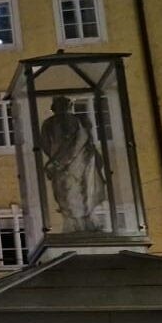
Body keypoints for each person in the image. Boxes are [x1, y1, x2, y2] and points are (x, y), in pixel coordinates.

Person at [38, 95, 108, 232]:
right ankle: (80, 226)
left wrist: (56, 160)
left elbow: (46, 145)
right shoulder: (72, 122)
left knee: (74, 194)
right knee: (71, 194)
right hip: (73, 166)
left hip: (74, 166)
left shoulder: (54, 123)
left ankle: (82, 226)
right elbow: (46, 145)